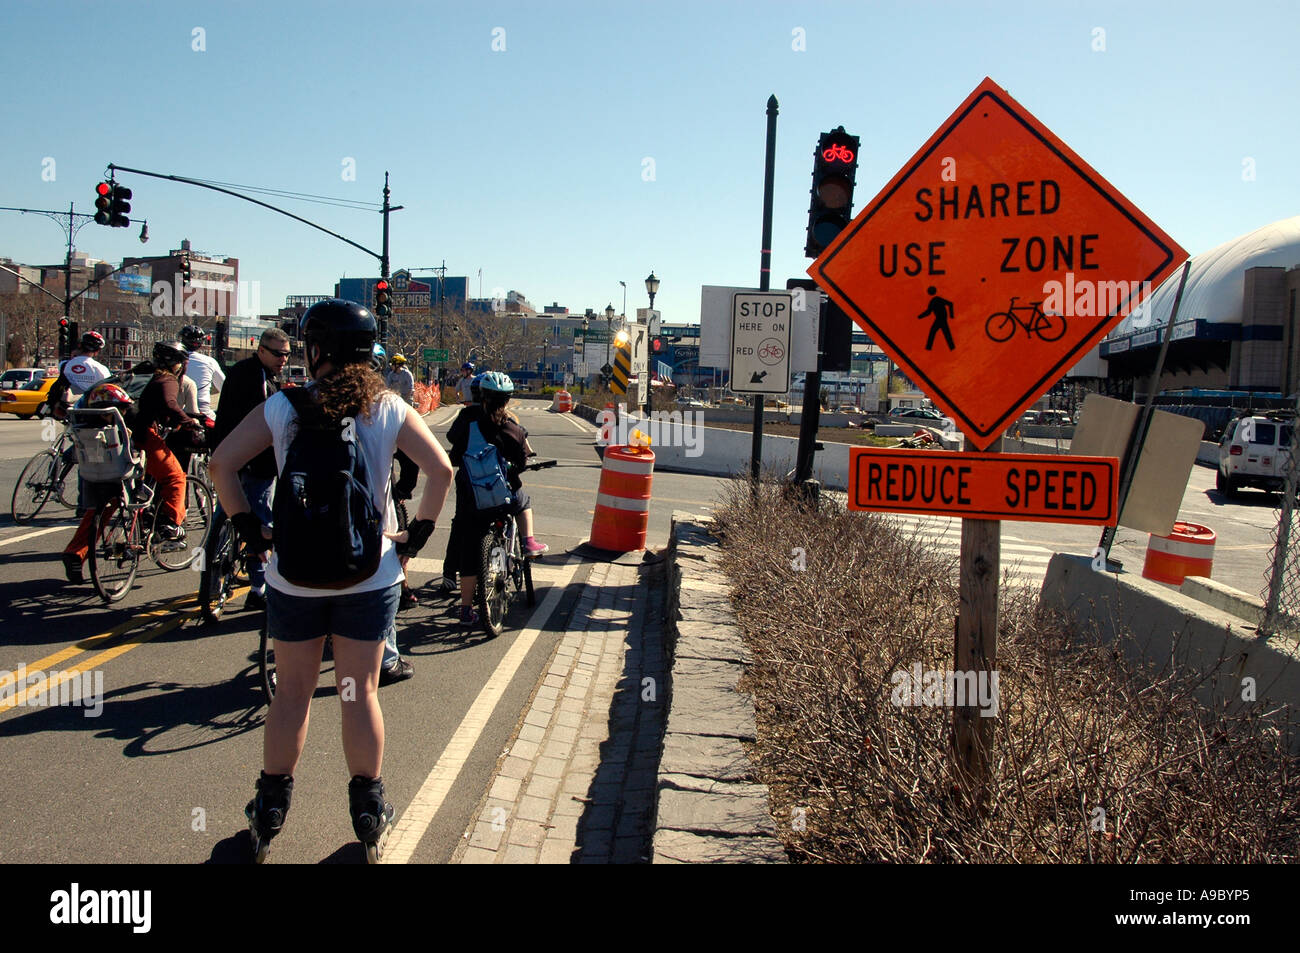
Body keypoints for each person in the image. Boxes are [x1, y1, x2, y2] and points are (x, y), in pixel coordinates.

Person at [210, 298, 453, 862]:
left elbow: (221, 464)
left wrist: (253, 532)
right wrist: (413, 539)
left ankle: (270, 808)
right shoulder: (388, 406)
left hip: (293, 577)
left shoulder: (284, 407)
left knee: (292, 693)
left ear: (315, 350)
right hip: (369, 576)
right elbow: (441, 472)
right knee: (358, 691)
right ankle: (368, 811)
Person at [445, 371, 547, 628]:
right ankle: (529, 542)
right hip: (501, 499)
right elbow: (522, 461)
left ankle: (466, 610)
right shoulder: (511, 428)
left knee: (470, 555)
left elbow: (453, 445)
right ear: (507, 400)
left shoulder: (466, 419)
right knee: (523, 500)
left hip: (471, 499)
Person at [210, 328, 290, 612]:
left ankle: (212, 574)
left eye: (287, 354)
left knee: (227, 510)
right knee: (260, 520)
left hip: (231, 455)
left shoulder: (251, 372)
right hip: (253, 459)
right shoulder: (257, 377)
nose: (283, 359)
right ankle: (259, 586)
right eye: (278, 353)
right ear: (262, 349)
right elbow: (262, 421)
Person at [133, 342, 200, 541]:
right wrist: (189, 422)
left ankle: (77, 551)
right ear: (177, 364)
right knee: (176, 477)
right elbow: (170, 404)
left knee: (115, 498)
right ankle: (170, 525)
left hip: (122, 436)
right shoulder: (167, 379)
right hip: (144, 435)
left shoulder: (140, 373)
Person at [48, 332, 111, 419]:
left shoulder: (64, 365)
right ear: (97, 351)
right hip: (91, 412)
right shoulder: (101, 369)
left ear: (80, 345)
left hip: (67, 410)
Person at [181, 324, 225, 421]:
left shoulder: (174, 360)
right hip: (202, 409)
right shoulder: (210, 362)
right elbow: (225, 388)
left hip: (177, 410)